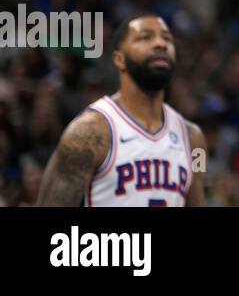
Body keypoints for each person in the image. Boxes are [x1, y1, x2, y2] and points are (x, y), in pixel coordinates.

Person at [37, 14, 206, 206]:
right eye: (145, 37)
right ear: (119, 59)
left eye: (167, 39)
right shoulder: (88, 133)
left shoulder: (195, 140)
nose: (161, 44)